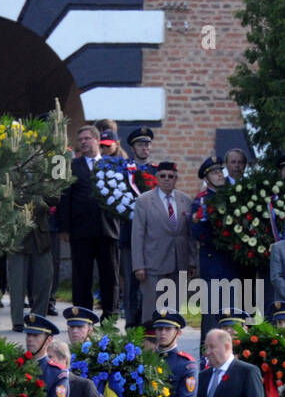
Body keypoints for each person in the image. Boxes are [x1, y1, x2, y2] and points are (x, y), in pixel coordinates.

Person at [57, 124, 121, 319]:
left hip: (107, 229)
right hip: (81, 231)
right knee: (82, 276)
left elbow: (120, 195)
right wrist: (64, 228)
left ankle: (110, 315)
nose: (83, 142)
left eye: (87, 139)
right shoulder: (71, 166)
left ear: (96, 140)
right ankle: (83, 316)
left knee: (109, 274)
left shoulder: (112, 165)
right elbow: (64, 198)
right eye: (80, 140)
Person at [132, 161, 194, 323]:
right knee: (151, 310)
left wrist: (192, 262)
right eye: (163, 176)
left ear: (176, 179)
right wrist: (139, 265)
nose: (167, 179)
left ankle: (171, 343)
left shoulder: (186, 200)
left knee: (174, 311)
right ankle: (150, 345)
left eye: (171, 176)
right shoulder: (144, 201)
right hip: (153, 264)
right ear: (157, 178)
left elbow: (190, 234)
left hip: (179, 263)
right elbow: (137, 235)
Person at [189, 155, 242, 323]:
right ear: (206, 178)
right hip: (213, 263)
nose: (219, 175)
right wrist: (225, 240)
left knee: (232, 314)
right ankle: (207, 348)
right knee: (212, 315)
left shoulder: (233, 196)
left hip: (233, 264)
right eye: (214, 173)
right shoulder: (202, 201)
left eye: (220, 171)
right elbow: (198, 231)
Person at [120, 126, 156, 326]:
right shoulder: (124, 171)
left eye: (147, 144)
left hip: (153, 237)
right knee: (132, 281)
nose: (144, 148)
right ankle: (131, 323)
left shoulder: (158, 172)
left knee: (151, 282)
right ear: (133, 148)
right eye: (140, 145)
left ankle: (149, 322)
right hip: (130, 232)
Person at [8, 197, 53, 333]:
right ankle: (17, 320)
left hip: (40, 234)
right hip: (17, 232)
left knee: (45, 278)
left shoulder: (47, 176)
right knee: (16, 281)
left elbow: (55, 197)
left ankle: (38, 318)